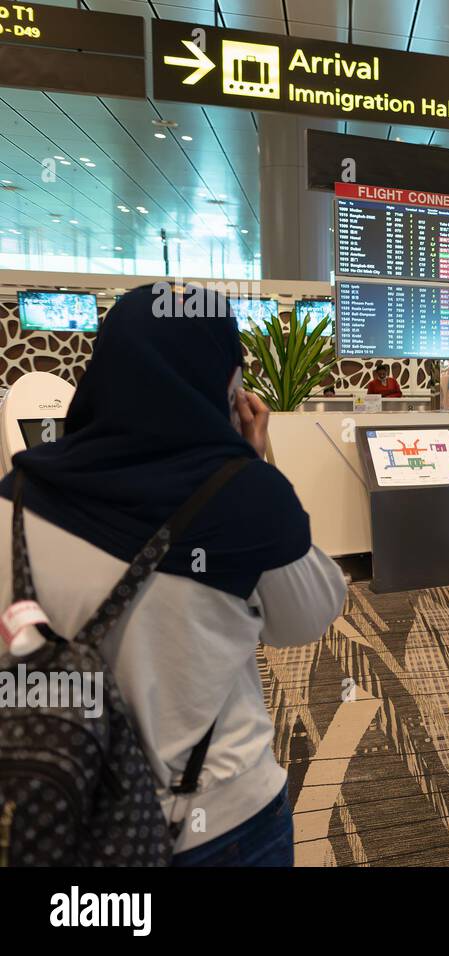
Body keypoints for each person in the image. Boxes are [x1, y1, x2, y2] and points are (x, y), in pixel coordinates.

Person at [0, 284, 346, 866]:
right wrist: (255, 464)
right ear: (226, 384)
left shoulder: (17, 496)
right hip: (220, 821)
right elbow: (309, 616)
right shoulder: (247, 499)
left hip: (57, 807)